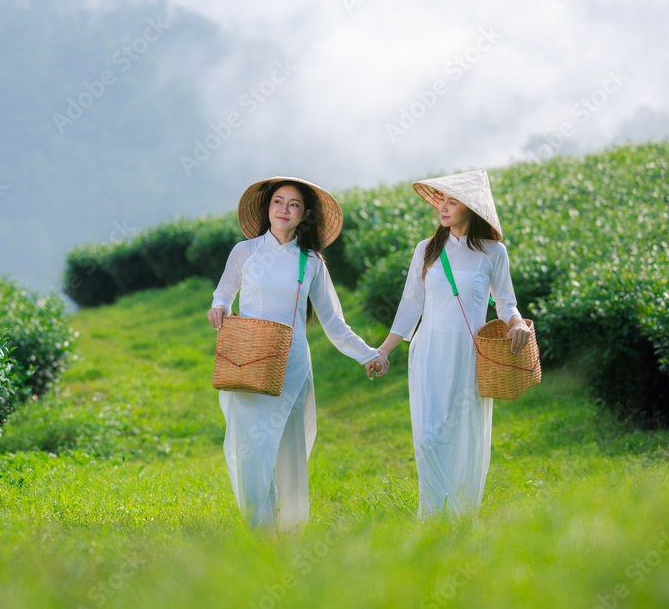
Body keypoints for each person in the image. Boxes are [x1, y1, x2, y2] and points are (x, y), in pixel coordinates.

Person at [208, 177, 389, 537]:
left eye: (294, 205)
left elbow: (333, 322)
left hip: (290, 367)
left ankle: (288, 529)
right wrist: (220, 307)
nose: (284, 210)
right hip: (248, 361)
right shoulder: (245, 251)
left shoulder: (311, 262)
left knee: (287, 448)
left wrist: (369, 354)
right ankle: (259, 530)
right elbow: (224, 293)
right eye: (278, 201)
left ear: (304, 215)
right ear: (267, 207)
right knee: (252, 446)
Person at [375, 170, 530, 519]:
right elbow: (410, 307)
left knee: (465, 434)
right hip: (429, 353)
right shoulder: (426, 249)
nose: (442, 208)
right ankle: (432, 517)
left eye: (452, 201)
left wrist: (517, 322)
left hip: (470, 356)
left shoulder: (494, 252)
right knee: (428, 437)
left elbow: (505, 302)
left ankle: (461, 516)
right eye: (440, 200)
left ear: (471, 208)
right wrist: (384, 350)